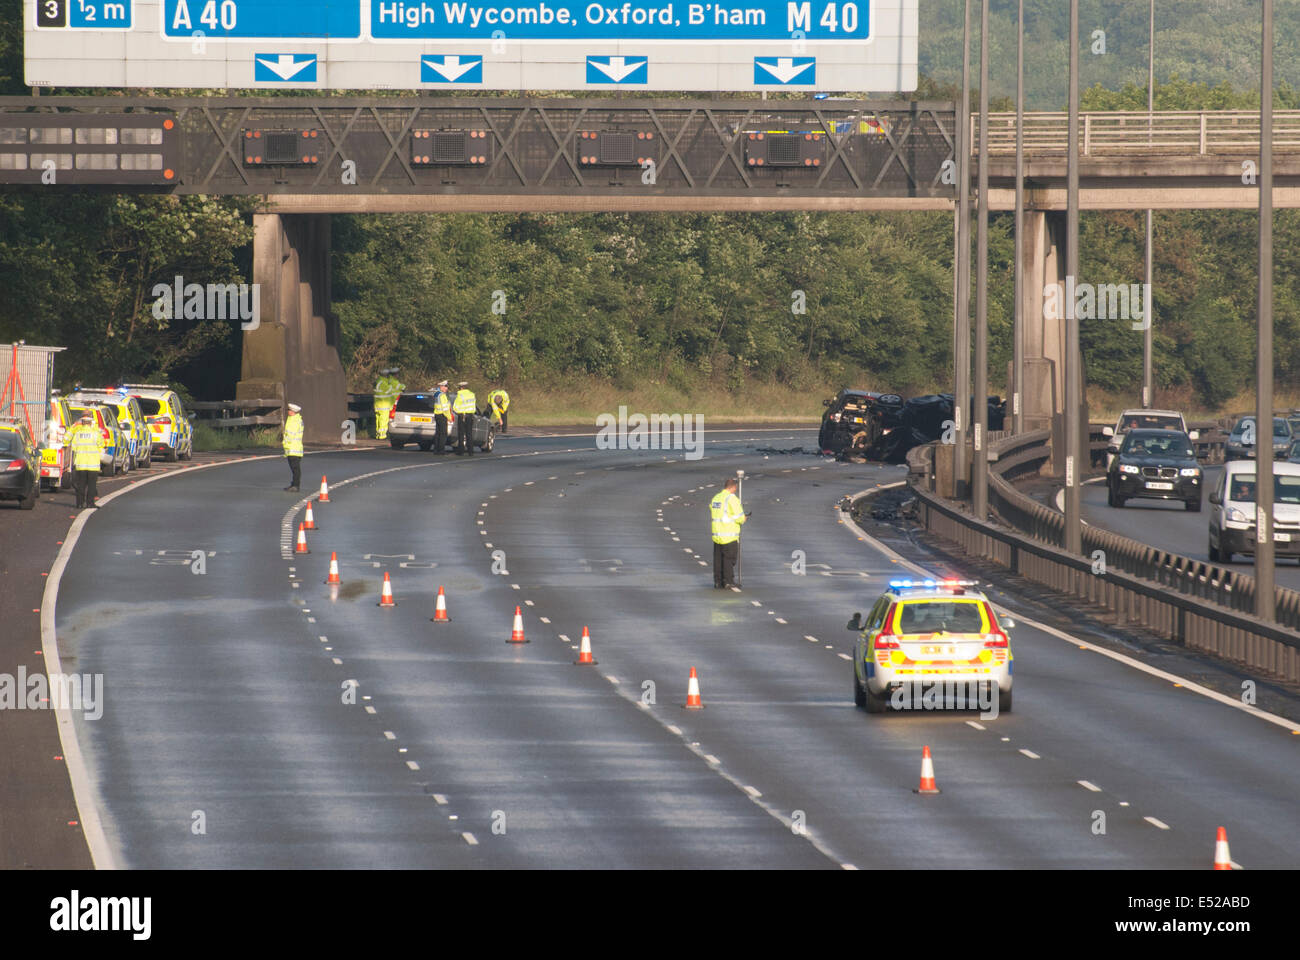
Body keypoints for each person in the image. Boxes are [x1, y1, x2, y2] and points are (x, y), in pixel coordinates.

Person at [709, 477, 747, 589]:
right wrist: (744, 518)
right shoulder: (731, 499)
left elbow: (714, 510)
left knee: (718, 559)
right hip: (728, 534)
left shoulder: (716, 498)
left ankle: (718, 581)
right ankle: (728, 581)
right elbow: (739, 517)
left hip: (717, 534)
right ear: (734, 487)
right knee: (729, 559)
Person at [69, 411, 102, 509]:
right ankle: (90, 503)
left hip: (81, 463)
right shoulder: (95, 433)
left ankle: (79, 504)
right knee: (92, 485)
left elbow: (74, 447)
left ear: (82, 423)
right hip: (93, 464)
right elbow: (101, 445)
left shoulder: (78, 434)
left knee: (81, 485)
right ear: (91, 423)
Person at [373, 367, 406, 441]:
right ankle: (382, 436)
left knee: (379, 420)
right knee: (383, 420)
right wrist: (402, 387)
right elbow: (392, 389)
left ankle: (378, 434)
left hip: (378, 404)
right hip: (384, 404)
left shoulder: (379, 381)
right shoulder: (384, 383)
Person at [283, 402, 304, 491]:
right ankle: (294, 484)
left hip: (293, 448)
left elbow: (290, 434)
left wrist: (285, 442)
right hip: (294, 448)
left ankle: (296, 485)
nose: (288, 411)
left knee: (295, 468)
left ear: (292, 412)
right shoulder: (295, 419)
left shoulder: (294, 421)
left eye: (289, 410)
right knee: (294, 468)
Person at [453, 381, 477, 456]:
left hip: (462, 416)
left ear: (461, 388)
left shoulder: (460, 395)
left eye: (459, 388)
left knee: (461, 434)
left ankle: (461, 451)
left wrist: (458, 412)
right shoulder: (472, 394)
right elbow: (473, 406)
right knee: (469, 434)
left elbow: (455, 407)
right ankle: (471, 451)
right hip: (470, 415)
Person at [433, 379, 452, 454]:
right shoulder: (442, 395)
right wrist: (449, 417)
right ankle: (441, 450)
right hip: (442, 415)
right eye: (445, 387)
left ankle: (436, 449)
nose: (447, 388)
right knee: (443, 434)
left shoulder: (436, 394)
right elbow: (445, 409)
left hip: (437, 414)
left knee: (438, 433)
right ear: (441, 387)